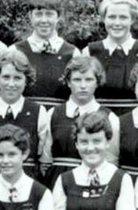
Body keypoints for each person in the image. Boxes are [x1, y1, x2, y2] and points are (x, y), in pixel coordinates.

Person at [0, 48, 51, 183]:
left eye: (18, 78)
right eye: (6, 77)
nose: (11, 84)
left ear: (26, 80)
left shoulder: (38, 112)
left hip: (27, 186)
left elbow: (42, 157)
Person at [44, 55, 121, 186]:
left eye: (89, 79)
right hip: (58, 181)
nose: (83, 86)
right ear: (68, 82)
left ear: (97, 82)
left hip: (95, 182)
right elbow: (46, 161)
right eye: (77, 80)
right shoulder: (53, 114)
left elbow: (111, 160)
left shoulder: (109, 117)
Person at [86, 0, 138, 115]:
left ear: (132, 19)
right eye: (112, 17)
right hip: (97, 120)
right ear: (103, 19)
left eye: (123, 17)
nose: (117, 23)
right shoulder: (90, 52)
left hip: (136, 119)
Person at [10, 0, 81, 108]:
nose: (44, 20)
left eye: (49, 14)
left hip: (59, 119)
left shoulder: (73, 53)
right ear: (30, 16)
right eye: (38, 14)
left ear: (58, 17)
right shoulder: (15, 51)